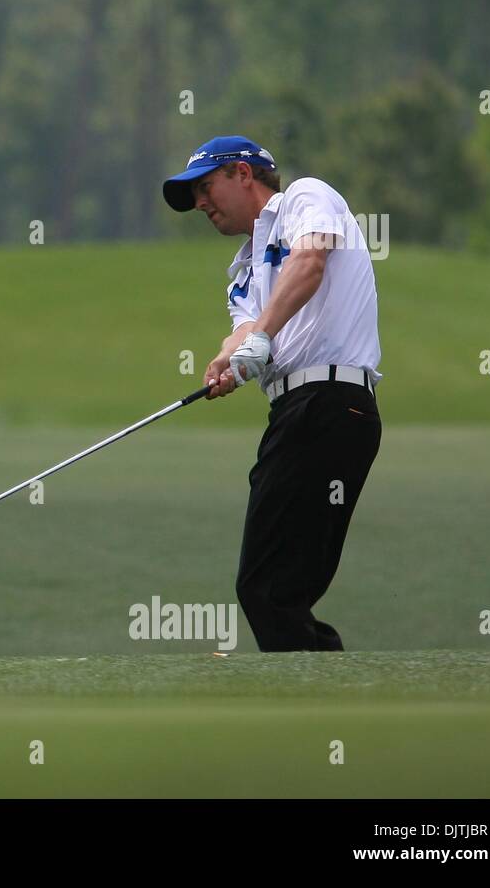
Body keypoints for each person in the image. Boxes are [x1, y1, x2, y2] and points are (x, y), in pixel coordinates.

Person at [161, 135, 383, 652]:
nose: (200, 203)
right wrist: (228, 361)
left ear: (243, 173)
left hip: (331, 404)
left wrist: (261, 337)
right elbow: (244, 333)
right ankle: (323, 695)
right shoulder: (242, 271)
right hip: (295, 415)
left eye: (205, 186)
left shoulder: (305, 198)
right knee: (272, 587)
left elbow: (309, 264)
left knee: (269, 589)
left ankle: (319, 704)